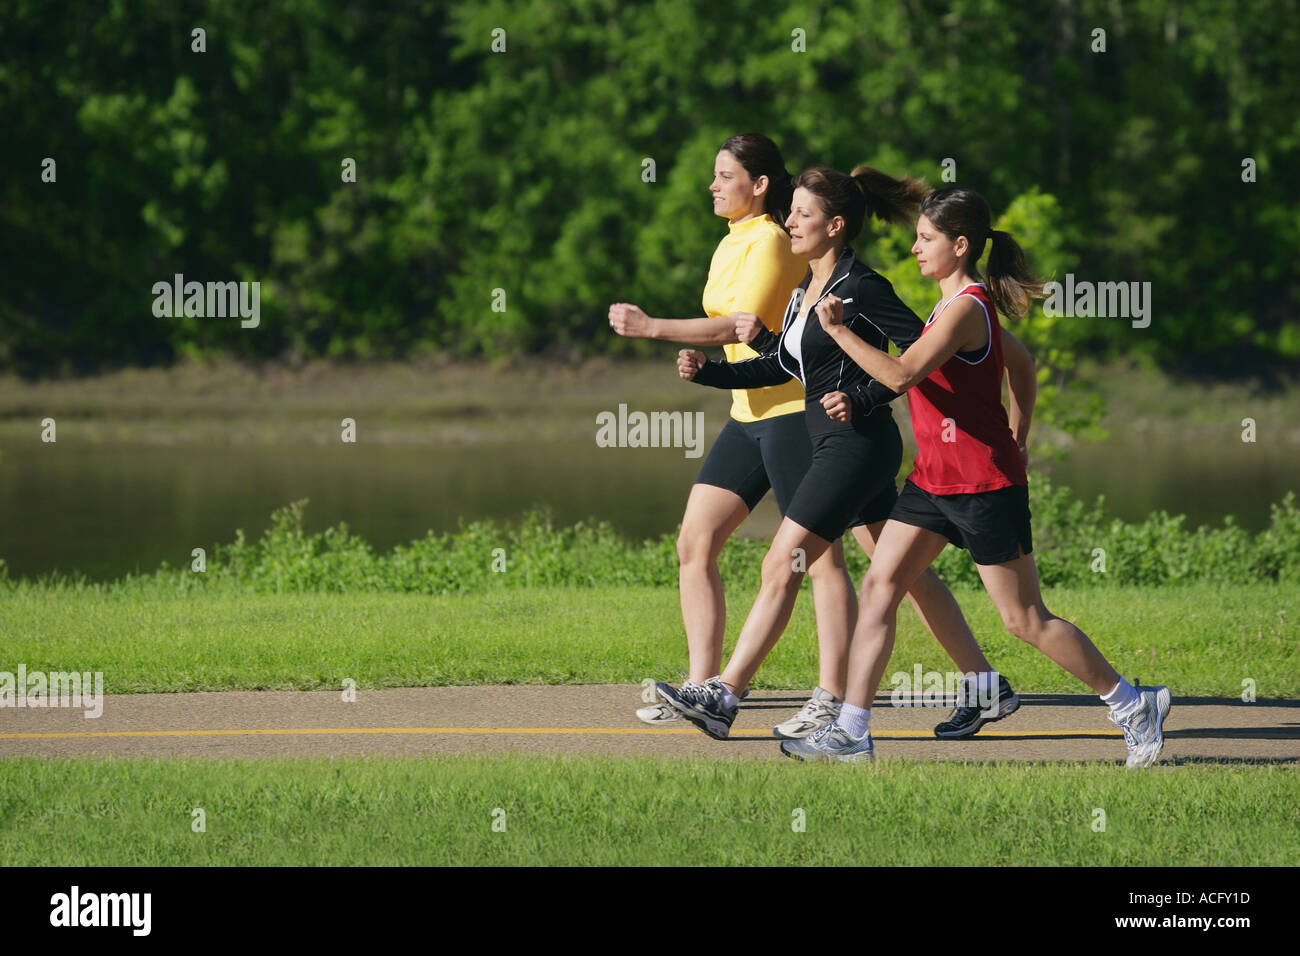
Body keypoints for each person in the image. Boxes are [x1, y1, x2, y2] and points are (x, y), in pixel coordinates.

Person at [780, 186, 1171, 766]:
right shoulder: (948, 307)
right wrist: (1021, 428)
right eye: (917, 236)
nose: (914, 247)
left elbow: (904, 372)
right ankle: (853, 732)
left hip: (984, 485)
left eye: (926, 238)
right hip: (933, 480)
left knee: (1025, 620)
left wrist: (839, 331)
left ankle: (1133, 704)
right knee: (880, 585)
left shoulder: (965, 307)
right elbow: (1021, 363)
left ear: (959, 245)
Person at [659, 166, 1027, 740]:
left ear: (834, 226)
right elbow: (786, 364)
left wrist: (860, 396)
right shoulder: (809, 288)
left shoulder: (864, 287)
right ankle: (984, 684)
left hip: (857, 447)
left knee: (783, 562)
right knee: (900, 574)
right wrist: (709, 375)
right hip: (836, 442)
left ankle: (725, 695)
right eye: (790, 213)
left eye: (802, 214)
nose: (789, 222)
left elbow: (917, 361)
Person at [609, 134, 860, 735]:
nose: (714, 185)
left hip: (791, 415)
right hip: (748, 416)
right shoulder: (731, 242)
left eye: (726, 175)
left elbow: (733, 324)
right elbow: (737, 331)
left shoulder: (773, 242)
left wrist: (652, 328)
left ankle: (833, 698)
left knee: (818, 561)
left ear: (761, 184)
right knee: (694, 544)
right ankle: (701, 686)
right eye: (715, 175)